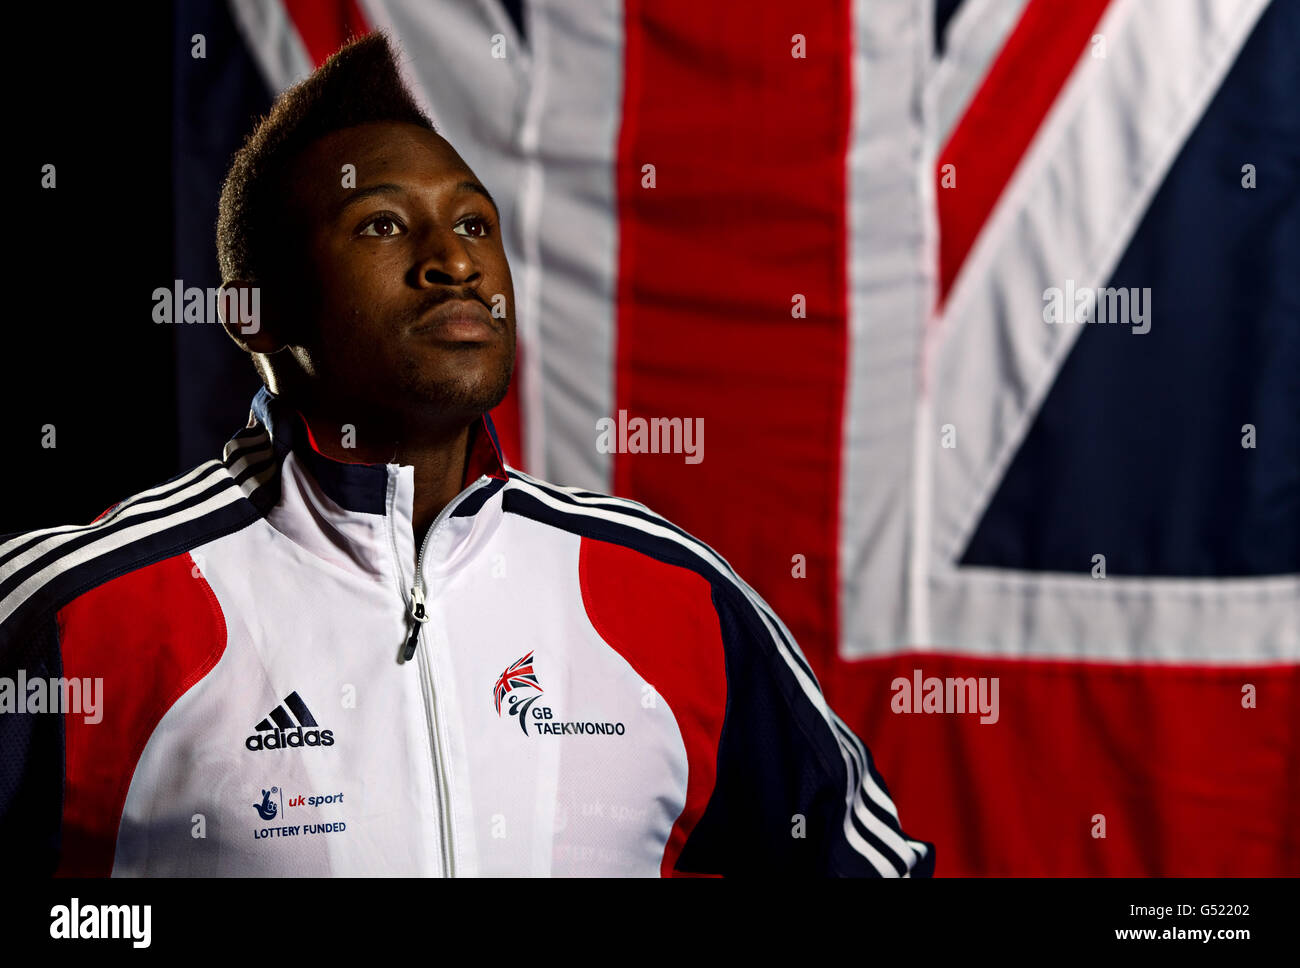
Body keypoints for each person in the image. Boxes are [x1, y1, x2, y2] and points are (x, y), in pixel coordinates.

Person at [0, 32, 933, 877]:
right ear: (257, 314)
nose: (455, 263)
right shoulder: (80, 610)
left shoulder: (671, 590)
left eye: (475, 223)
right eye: (381, 225)